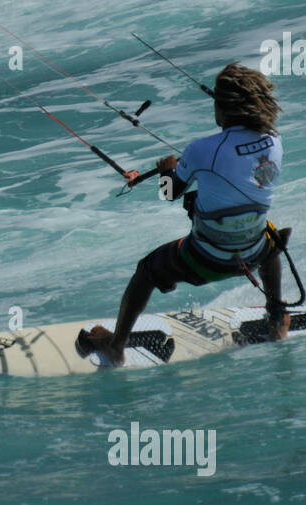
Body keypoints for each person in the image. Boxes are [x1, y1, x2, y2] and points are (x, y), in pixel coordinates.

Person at [77, 63, 290, 366]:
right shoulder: (274, 141)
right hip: (254, 252)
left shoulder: (202, 150)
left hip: (208, 258)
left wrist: (167, 171)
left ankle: (116, 344)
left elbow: (169, 193)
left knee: (145, 271)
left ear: (224, 108)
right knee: (269, 234)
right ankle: (276, 318)